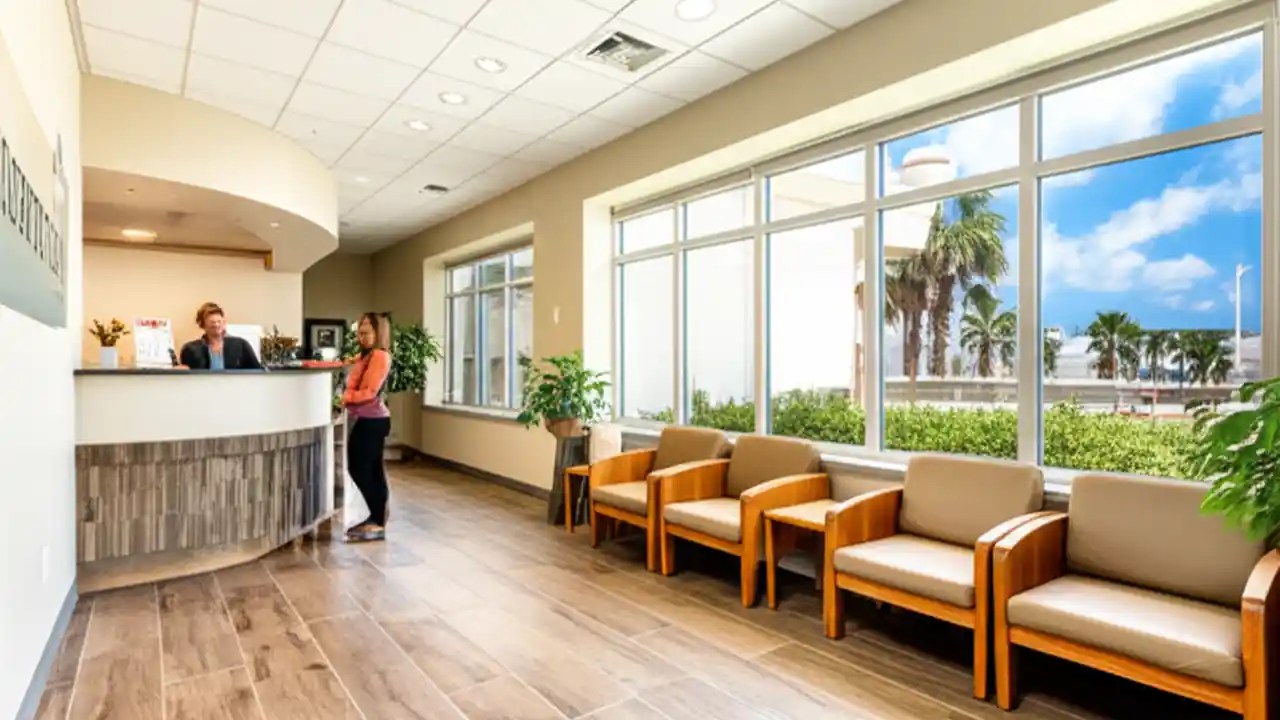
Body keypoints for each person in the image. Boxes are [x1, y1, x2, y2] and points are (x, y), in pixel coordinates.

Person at [343, 312, 393, 542]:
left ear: (378, 333)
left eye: (366, 332)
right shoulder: (365, 357)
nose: (361, 337)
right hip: (366, 419)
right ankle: (376, 518)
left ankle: (377, 519)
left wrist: (344, 398)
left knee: (361, 469)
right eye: (359, 333)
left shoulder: (380, 356)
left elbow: (369, 392)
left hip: (373, 420)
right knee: (371, 470)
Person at [179, 302, 263, 370]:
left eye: (219, 321)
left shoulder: (241, 345)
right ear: (202, 325)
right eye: (212, 322)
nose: (216, 325)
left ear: (224, 322)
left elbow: (257, 372)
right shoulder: (190, 349)